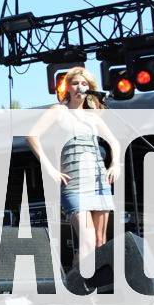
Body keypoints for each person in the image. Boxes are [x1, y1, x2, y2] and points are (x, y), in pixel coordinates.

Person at [28, 66, 120, 265]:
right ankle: (77, 291)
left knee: (99, 242)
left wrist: (116, 164)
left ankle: (90, 290)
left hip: (98, 182)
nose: (80, 87)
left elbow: (114, 142)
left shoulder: (93, 116)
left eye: (84, 84)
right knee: (86, 243)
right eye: (76, 83)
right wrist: (49, 167)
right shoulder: (59, 111)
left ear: (90, 87)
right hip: (75, 184)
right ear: (68, 87)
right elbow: (32, 135)